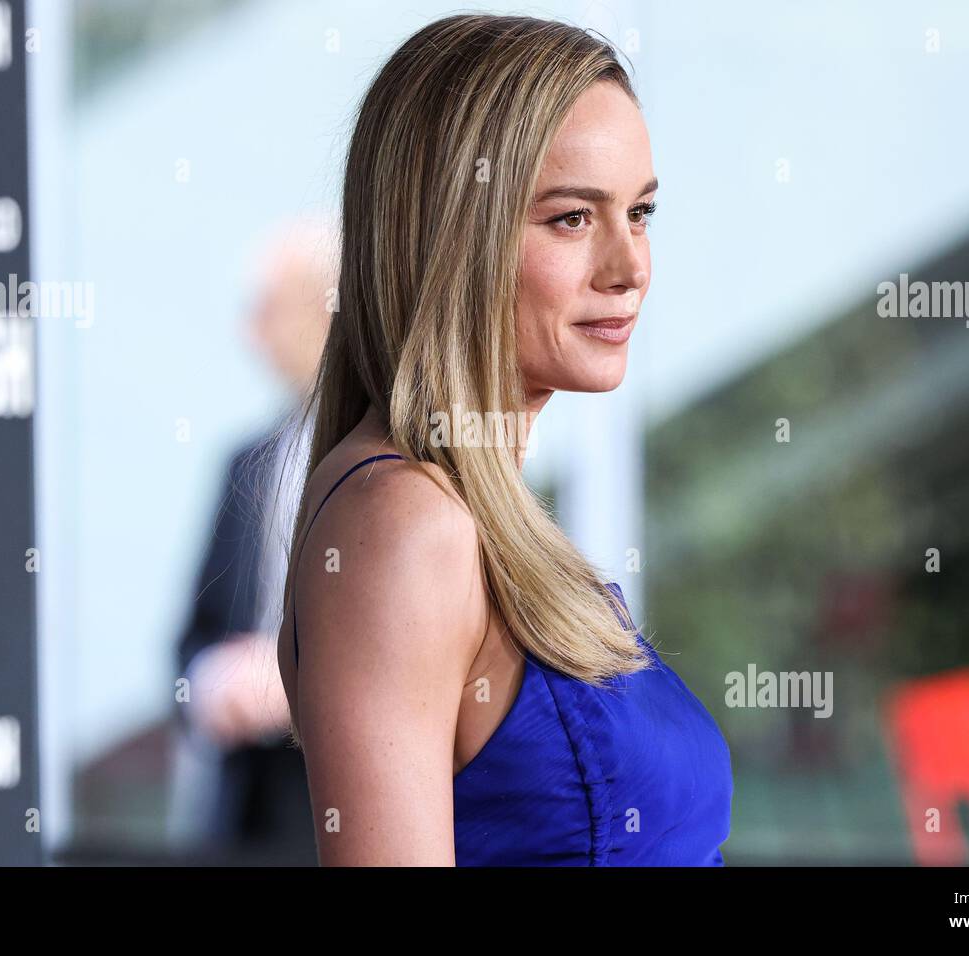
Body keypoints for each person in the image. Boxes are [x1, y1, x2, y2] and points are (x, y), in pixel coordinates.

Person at [273, 14, 733, 866]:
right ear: (449, 231)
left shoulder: (481, 512)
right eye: (570, 219)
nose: (630, 266)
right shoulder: (404, 524)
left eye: (640, 212)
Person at [172, 218, 335, 860]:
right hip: (243, 816)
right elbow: (193, 636)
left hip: (347, 810)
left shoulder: (409, 458)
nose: (249, 333)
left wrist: (289, 679)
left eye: (265, 308)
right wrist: (210, 684)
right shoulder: (249, 463)